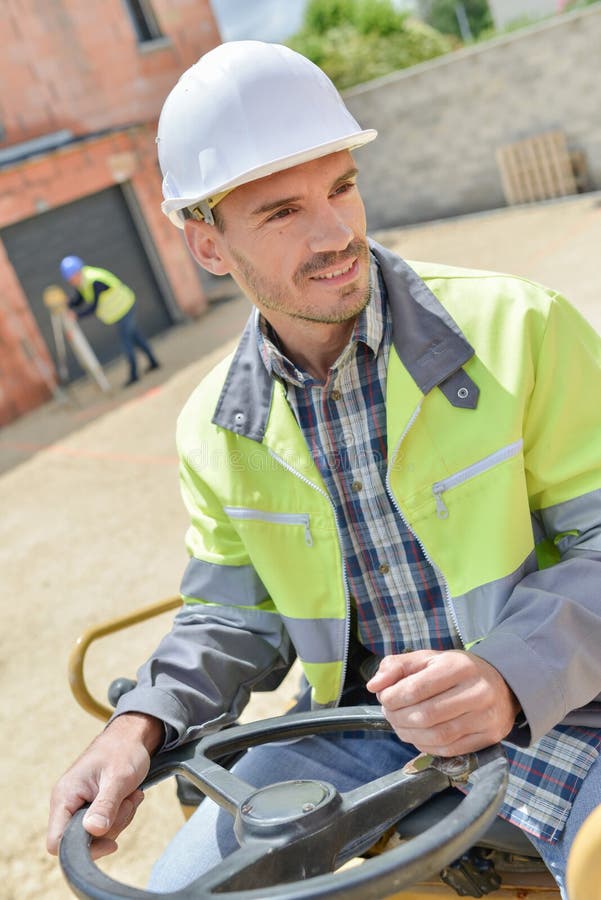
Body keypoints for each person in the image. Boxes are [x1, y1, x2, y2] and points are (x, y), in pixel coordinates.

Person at [47, 41, 601, 898]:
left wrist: (507, 672)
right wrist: (139, 720)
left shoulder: (522, 328)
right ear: (206, 246)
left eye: (341, 187)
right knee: (184, 888)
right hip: (356, 734)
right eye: (280, 212)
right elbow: (230, 618)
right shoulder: (213, 428)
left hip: (568, 708)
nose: (336, 232)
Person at [59, 256, 160, 387]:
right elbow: (80, 298)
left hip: (125, 307)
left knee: (126, 343)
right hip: (118, 312)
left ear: (77, 272)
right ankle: (153, 362)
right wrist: (69, 304)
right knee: (136, 337)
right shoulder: (82, 281)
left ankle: (134, 375)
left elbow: (94, 306)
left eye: (71, 278)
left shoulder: (95, 280)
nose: (71, 282)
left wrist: (77, 315)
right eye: (69, 280)